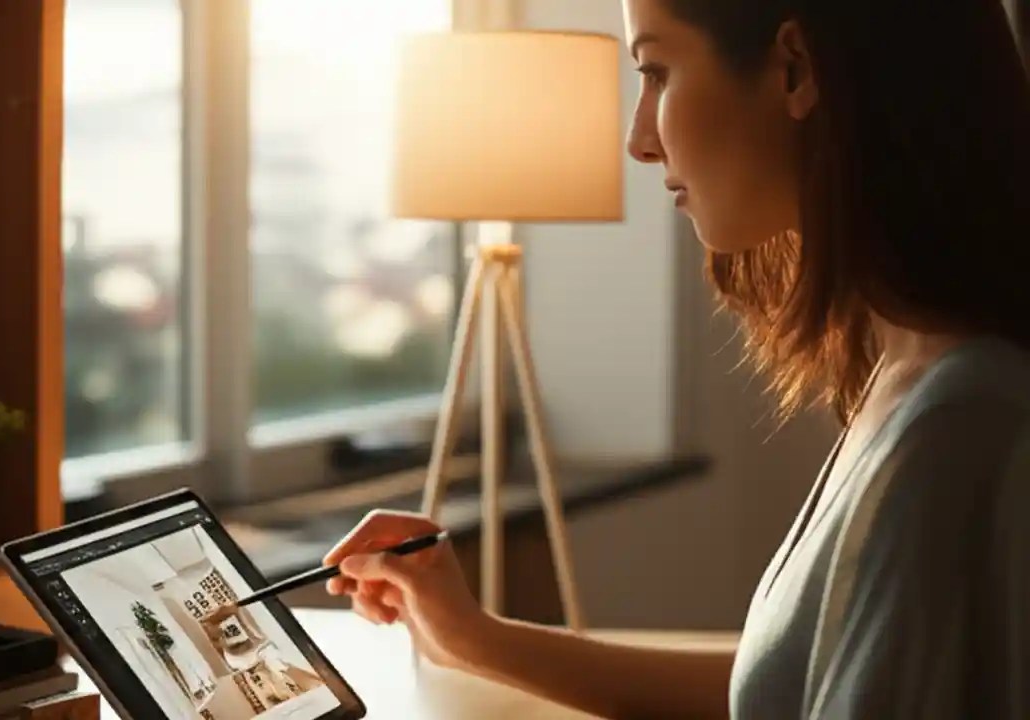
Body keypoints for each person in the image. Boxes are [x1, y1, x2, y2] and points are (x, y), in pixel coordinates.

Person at [323, 0, 1030, 717]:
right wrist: (470, 638)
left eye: (656, 71)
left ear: (795, 69)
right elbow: (784, 687)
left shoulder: (961, 420)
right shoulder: (918, 376)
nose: (638, 139)